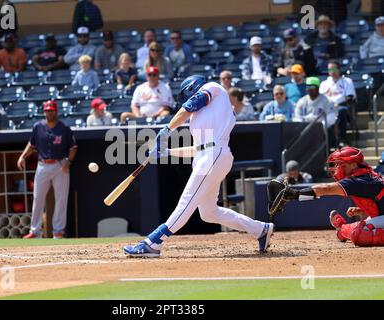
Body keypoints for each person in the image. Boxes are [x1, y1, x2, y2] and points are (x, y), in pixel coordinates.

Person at [123, 74, 274, 257]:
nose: (186, 99)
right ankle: (260, 229)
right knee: (209, 212)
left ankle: (153, 242)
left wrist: (167, 129)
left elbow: (190, 106)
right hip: (208, 155)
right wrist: (167, 152)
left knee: (186, 202)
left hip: (214, 154)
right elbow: (198, 148)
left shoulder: (213, 88)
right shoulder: (203, 116)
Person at [273, 147, 384, 247]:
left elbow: (326, 189)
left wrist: (294, 195)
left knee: (360, 234)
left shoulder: (359, 180)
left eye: (342, 164)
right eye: (337, 164)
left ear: (354, 164)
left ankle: (343, 230)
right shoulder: (364, 176)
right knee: (359, 230)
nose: (338, 168)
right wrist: (361, 210)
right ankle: (344, 230)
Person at [17, 100, 78, 239]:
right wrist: (22, 157)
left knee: (61, 199)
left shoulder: (64, 128)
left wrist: (68, 161)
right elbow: (31, 145)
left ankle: (58, 231)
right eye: (47, 110)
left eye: (51, 110)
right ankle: (35, 231)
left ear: (56, 111)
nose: (49, 113)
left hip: (59, 164)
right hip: (42, 164)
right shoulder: (38, 127)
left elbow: (73, 147)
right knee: (38, 197)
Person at [319, 60, 356, 146]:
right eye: (330, 70)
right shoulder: (324, 84)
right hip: (327, 109)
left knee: (341, 111)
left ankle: (342, 139)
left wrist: (338, 104)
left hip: (342, 107)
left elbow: (350, 98)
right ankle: (328, 143)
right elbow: (320, 99)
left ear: (339, 69)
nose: (332, 72)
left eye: (334, 69)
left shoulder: (347, 81)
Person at [294, 77, 338, 147]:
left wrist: (320, 126)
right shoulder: (302, 101)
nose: (309, 89)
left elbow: (332, 117)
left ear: (317, 88)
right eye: (307, 86)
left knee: (329, 130)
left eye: (312, 86)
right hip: (305, 130)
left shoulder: (327, 100)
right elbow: (297, 117)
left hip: (321, 130)